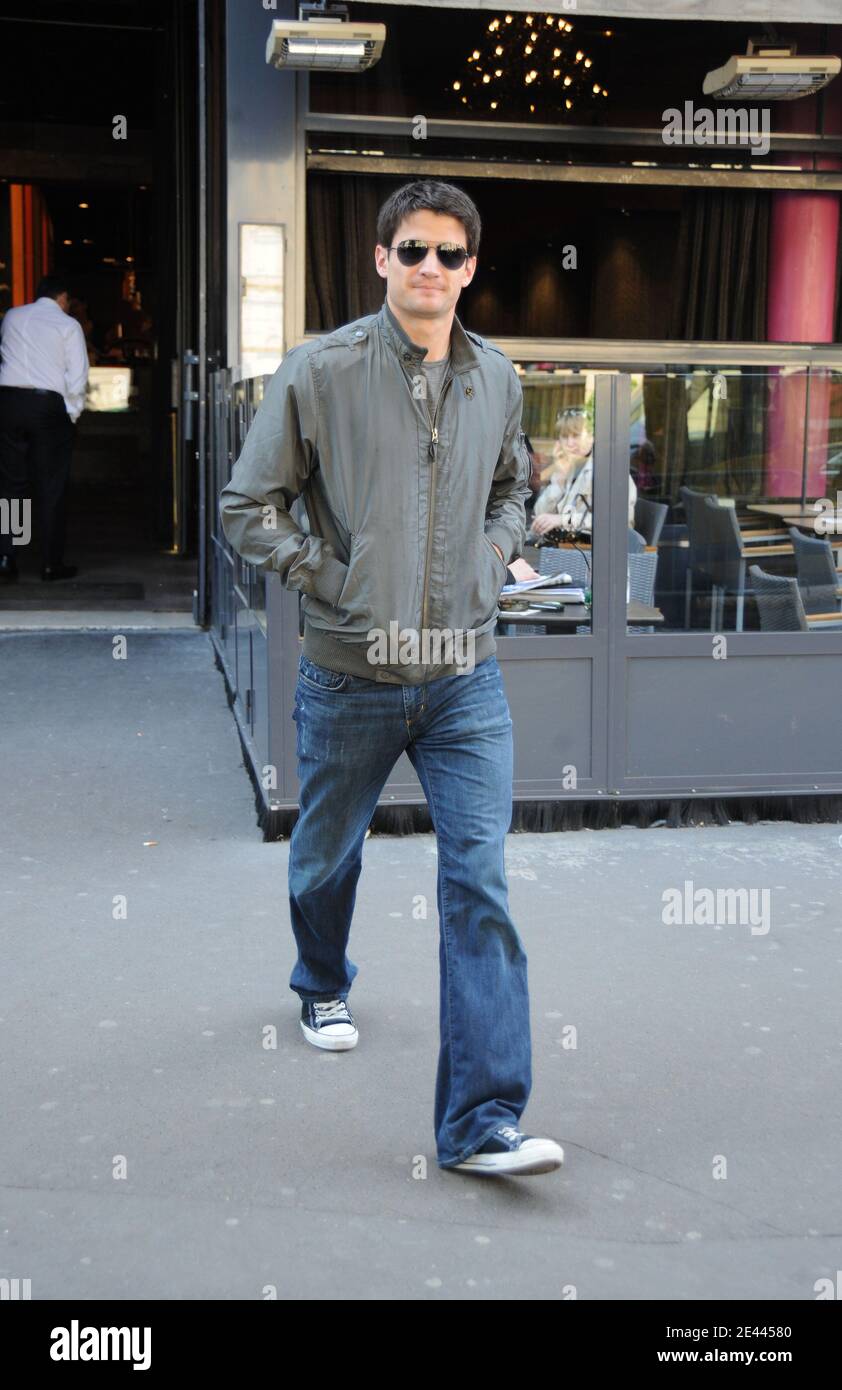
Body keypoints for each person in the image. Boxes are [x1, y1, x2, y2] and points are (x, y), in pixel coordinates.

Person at [219, 178, 564, 1178]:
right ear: (381, 259)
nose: (430, 268)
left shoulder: (494, 376)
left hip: (464, 678)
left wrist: (494, 551)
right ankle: (320, 975)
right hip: (347, 676)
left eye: (449, 254)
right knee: (325, 860)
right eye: (412, 249)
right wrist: (331, 580)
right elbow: (247, 506)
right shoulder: (319, 371)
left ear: (468, 268)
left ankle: (479, 1123)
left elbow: (514, 481)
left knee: (480, 883)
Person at [0, 273, 88, 581]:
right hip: (47, 406)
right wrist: (72, 415)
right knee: (51, 485)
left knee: (13, 485)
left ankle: (8, 557)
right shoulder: (67, 325)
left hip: (8, 403)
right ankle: (50, 563)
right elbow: (77, 378)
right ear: (62, 297)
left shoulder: (12, 317)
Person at [531, 405, 637, 540]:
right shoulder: (569, 467)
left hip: (598, 551)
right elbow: (539, 514)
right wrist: (560, 480)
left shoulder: (609, 471)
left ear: (592, 436)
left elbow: (618, 521)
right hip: (567, 546)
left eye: (576, 436)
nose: (570, 443)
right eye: (564, 436)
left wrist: (563, 520)